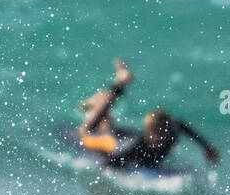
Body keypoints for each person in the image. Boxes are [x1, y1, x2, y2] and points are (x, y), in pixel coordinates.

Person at [78, 58, 220, 169]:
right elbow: (109, 163)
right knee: (84, 132)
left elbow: (181, 124)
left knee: (106, 126)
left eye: (160, 133)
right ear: (146, 132)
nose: (157, 138)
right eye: (153, 133)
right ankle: (117, 85)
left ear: (168, 130)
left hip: (125, 137)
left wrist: (207, 147)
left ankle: (99, 100)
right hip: (115, 144)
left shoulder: (171, 132)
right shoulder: (137, 146)